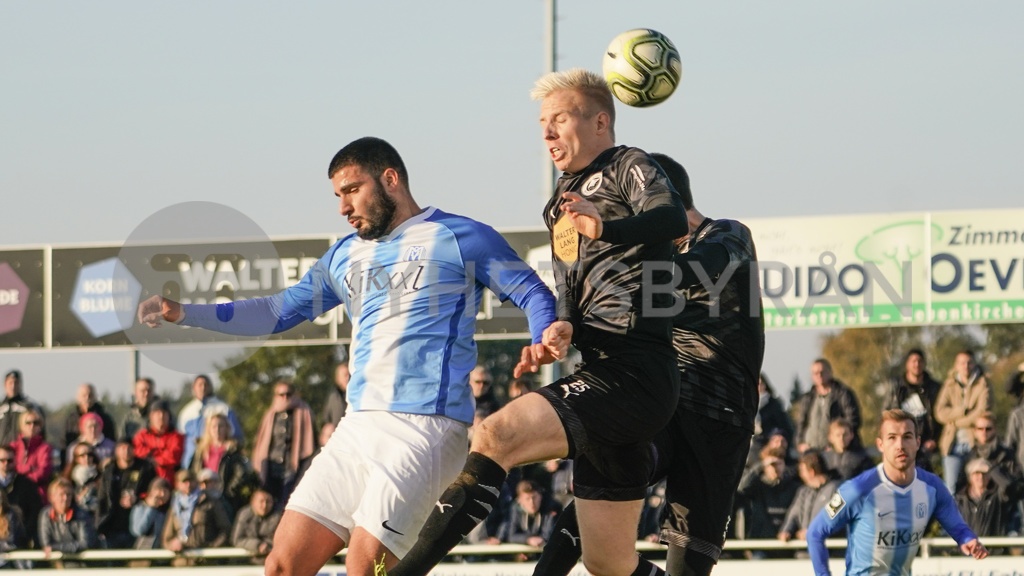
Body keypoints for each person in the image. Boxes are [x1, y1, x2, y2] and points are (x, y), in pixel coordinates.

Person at [136, 136, 557, 576]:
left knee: (365, 568)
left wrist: (542, 337)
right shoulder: (344, 255)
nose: (343, 207)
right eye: (338, 195)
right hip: (356, 428)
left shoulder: (460, 236)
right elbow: (277, 311)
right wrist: (185, 313)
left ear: (390, 179)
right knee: (282, 565)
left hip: (425, 429)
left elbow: (531, 291)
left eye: (353, 190)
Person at [389, 69, 688, 576]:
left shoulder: (629, 164)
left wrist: (605, 226)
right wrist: (561, 329)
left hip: (637, 374)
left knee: (495, 435)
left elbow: (671, 219)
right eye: (542, 122)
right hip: (602, 373)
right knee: (608, 563)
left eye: (560, 119)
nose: (547, 132)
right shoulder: (560, 203)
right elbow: (571, 289)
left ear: (600, 122)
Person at [532, 152, 763, 576]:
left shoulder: (728, 235)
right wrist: (563, 330)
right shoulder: (649, 260)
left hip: (720, 419)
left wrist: (623, 254)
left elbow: (695, 271)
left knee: (687, 564)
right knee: (601, 484)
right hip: (665, 403)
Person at [807, 409, 988, 576]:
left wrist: (967, 538)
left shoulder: (932, 487)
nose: (900, 445)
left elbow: (956, 525)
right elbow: (815, 532)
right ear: (880, 444)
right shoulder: (858, 489)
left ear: (918, 442)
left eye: (907, 437)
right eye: (892, 438)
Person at [935, 350, 992, 494]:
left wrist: (955, 422)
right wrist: (962, 411)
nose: (966, 366)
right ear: (956, 365)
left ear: (974, 364)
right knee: (951, 488)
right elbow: (939, 412)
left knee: (978, 487)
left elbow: (982, 412)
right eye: (962, 363)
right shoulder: (949, 385)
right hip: (952, 445)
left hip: (975, 444)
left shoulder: (983, 384)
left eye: (969, 362)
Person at [252, 380, 315, 507]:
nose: (285, 397)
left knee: (287, 503)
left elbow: (310, 441)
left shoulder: (303, 412)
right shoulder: (270, 415)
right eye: (281, 394)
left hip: (293, 467)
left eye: (288, 394)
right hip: (271, 467)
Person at [883, 348, 941, 469]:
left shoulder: (934, 388)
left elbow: (941, 416)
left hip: (927, 444)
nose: (917, 364)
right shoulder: (896, 388)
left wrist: (935, 440)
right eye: (913, 361)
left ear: (924, 363)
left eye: (920, 361)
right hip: (901, 441)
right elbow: (886, 414)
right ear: (907, 364)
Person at [189, 412, 257, 515]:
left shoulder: (232, 450)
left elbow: (241, 473)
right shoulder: (201, 451)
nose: (217, 430)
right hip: (202, 495)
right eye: (214, 426)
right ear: (208, 429)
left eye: (221, 426)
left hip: (224, 498)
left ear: (227, 428)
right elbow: (193, 471)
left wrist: (229, 491)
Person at [97, 439, 156, 548]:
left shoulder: (145, 469)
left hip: (137, 524)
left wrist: (137, 499)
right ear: (116, 451)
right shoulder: (109, 472)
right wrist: (100, 525)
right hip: (112, 526)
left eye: (129, 448)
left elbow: (152, 493)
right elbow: (102, 499)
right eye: (122, 448)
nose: (126, 451)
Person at [176, 375, 244, 469]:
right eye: (200, 385)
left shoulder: (223, 409)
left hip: (219, 462)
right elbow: (180, 440)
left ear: (210, 387)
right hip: (191, 463)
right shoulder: (186, 413)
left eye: (206, 384)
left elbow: (237, 436)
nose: (203, 387)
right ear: (194, 388)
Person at [795, 359, 862, 453]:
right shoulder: (807, 398)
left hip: (836, 453)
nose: (819, 375)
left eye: (822, 372)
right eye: (815, 373)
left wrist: (837, 443)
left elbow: (853, 420)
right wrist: (800, 443)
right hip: (811, 452)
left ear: (830, 372)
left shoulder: (843, 395)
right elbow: (801, 423)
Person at [777, 450, 839, 544]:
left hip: (826, 548)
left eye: (802, 471)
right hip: (804, 549)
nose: (800, 475)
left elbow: (834, 517)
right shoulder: (803, 492)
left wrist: (813, 532)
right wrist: (786, 531)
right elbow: (794, 513)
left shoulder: (836, 490)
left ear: (811, 472)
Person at [38, 477, 100, 566]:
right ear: (51, 497)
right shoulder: (45, 515)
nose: (65, 498)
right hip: (58, 564)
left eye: (68, 494)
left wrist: (56, 548)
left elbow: (85, 543)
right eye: (61, 494)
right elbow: (46, 543)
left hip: (84, 564)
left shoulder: (82, 515)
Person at [955, 457, 1021, 538]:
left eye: (984, 473)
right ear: (970, 477)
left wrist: (991, 469)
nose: (981, 477)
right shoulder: (961, 498)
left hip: (995, 544)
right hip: (969, 544)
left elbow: (1009, 487)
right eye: (977, 473)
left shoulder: (997, 494)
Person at [60, 384, 117, 468]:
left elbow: (112, 439)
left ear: (95, 397)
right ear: (78, 398)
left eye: (90, 395)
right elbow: (65, 443)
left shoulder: (105, 418)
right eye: (84, 395)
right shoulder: (71, 420)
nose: (87, 398)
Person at [133, 400, 184, 484]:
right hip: (145, 481)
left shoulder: (176, 436)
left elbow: (173, 457)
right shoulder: (141, 436)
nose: (161, 416)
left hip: (169, 482)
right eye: (157, 413)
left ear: (169, 416)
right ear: (151, 416)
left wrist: (152, 458)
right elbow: (138, 453)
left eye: (164, 413)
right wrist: (161, 453)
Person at [0, 444, 40, 548]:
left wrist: (25, 534)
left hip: (19, 539)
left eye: (10, 461)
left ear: (15, 461)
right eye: (2, 460)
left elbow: (34, 511)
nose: (6, 464)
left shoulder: (26, 484)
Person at [10, 407, 53, 500]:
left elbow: (43, 473)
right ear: (21, 425)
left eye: (36, 423)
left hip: (37, 494)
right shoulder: (13, 447)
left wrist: (23, 479)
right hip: (13, 492)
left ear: (40, 426)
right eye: (28, 423)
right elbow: (8, 468)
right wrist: (29, 468)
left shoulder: (45, 448)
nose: (32, 426)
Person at [232, 489, 282, 562]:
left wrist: (268, 545)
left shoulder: (279, 516)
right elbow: (237, 540)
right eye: (261, 501)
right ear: (253, 503)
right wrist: (257, 545)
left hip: (272, 559)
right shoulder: (244, 515)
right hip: (247, 559)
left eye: (268, 502)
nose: (264, 505)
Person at [0, 370, 43, 447]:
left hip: (21, 450)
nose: (13, 386)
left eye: (16, 383)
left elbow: (40, 430)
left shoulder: (29, 406)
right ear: (5, 384)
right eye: (10, 383)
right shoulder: (1, 407)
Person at [129, 476, 171, 550]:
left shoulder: (169, 510)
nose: (162, 494)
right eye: (160, 490)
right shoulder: (140, 507)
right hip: (141, 549)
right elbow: (138, 530)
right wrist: (151, 508)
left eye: (165, 491)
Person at [121, 377, 159, 442]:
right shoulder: (129, 418)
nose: (146, 394)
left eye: (149, 391)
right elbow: (123, 441)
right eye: (143, 391)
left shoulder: (163, 416)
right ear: (136, 393)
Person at [319, 362, 349, 436]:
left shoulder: (360, 396)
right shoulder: (332, 397)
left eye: (349, 375)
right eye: (345, 375)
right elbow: (326, 420)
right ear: (338, 379)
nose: (348, 378)